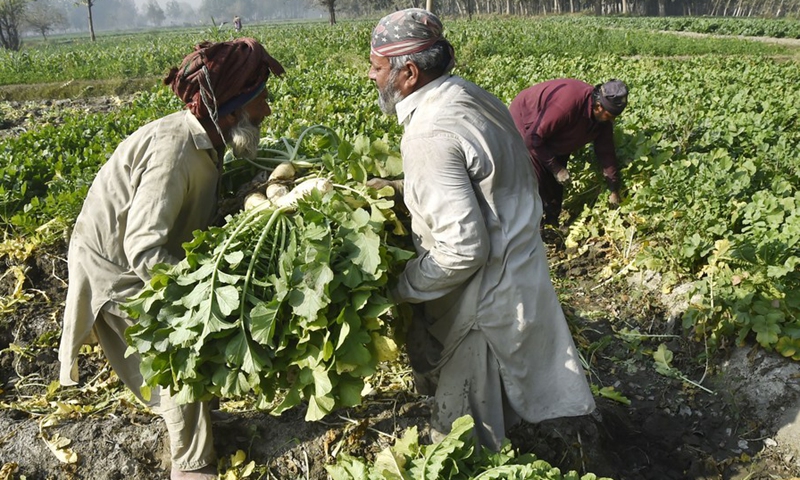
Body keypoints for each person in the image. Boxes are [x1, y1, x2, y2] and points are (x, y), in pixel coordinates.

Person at [367, 8, 595, 450]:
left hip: (482, 301)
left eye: (376, 67)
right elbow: (483, 175)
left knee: (464, 440)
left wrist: (399, 286)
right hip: (518, 270)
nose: (370, 76)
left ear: (408, 72)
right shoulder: (469, 96)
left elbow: (463, 249)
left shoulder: (428, 133)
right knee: (509, 403)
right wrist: (400, 186)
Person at [57, 38, 284, 480]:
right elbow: (142, 247)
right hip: (117, 267)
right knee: (177, 352)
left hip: (142, 253)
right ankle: (193, 465)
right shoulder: (175, 151)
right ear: (232, 111)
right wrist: (201, 290)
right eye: (261, 102)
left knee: (197, 341)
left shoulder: (208, 139)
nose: (269, 113)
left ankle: (202, 425)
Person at [509, 78, 629, 227]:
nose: (612, 120)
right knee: (536, 180)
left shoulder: (603, 119)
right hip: (527, 123)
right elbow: (532, 139)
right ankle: (535, 229)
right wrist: (556, 169)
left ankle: (552, 224)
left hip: (557, 134)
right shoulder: (567, 105)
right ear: (598, 106)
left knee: (555, 185)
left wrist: (614, 189)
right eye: (610, 116)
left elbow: (606, 153)